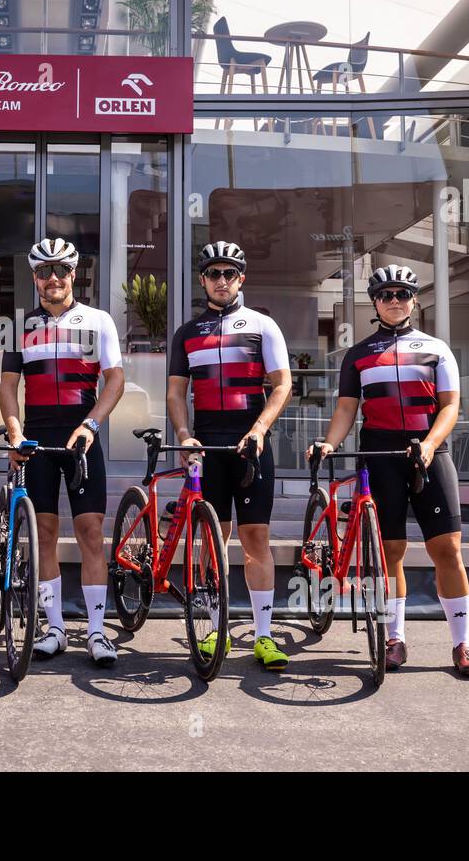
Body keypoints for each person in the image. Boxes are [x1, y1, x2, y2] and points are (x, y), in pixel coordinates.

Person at [309, 264, 469, 678]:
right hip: (379, 456)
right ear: (375, 302)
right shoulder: (358, 354)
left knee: (448, 550)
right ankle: (394, 638)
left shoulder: (437, 349)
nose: (394, 301)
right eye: (386, 295)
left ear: (414, 300)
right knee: (390, 553)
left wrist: (429, 445)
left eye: (402, 294)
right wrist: (329, 443)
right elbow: (346, 410)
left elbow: (450, 407)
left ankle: (462, 644)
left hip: (428, 452)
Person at [0, 238, 125, 666]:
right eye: (43, 271)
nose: (53, 278)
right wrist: (15, 432)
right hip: (36, 441)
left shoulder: (98, 321)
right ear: (34, 277)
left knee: (91, 533)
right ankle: (53, 627)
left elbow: (115, 381)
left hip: (81, 440)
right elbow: (6, 385)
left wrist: (91, 424)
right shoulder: (19, 323)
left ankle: (95, 631)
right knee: (45, 536)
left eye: (61, 270)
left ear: (75, 274)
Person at [167, 241, 292, 670]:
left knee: (256, 539)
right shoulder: (187, 333)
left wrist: (259, 429)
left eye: (230, 273)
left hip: (251, 445)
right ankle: (216, 628)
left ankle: (263, 636)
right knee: (213, 542)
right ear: (202, 279)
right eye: (214, 273)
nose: (222, 281)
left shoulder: (262, 326)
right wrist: (184, 434)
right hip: (207, 447)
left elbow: (281, 385)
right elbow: (175, 392)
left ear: (242, 278)